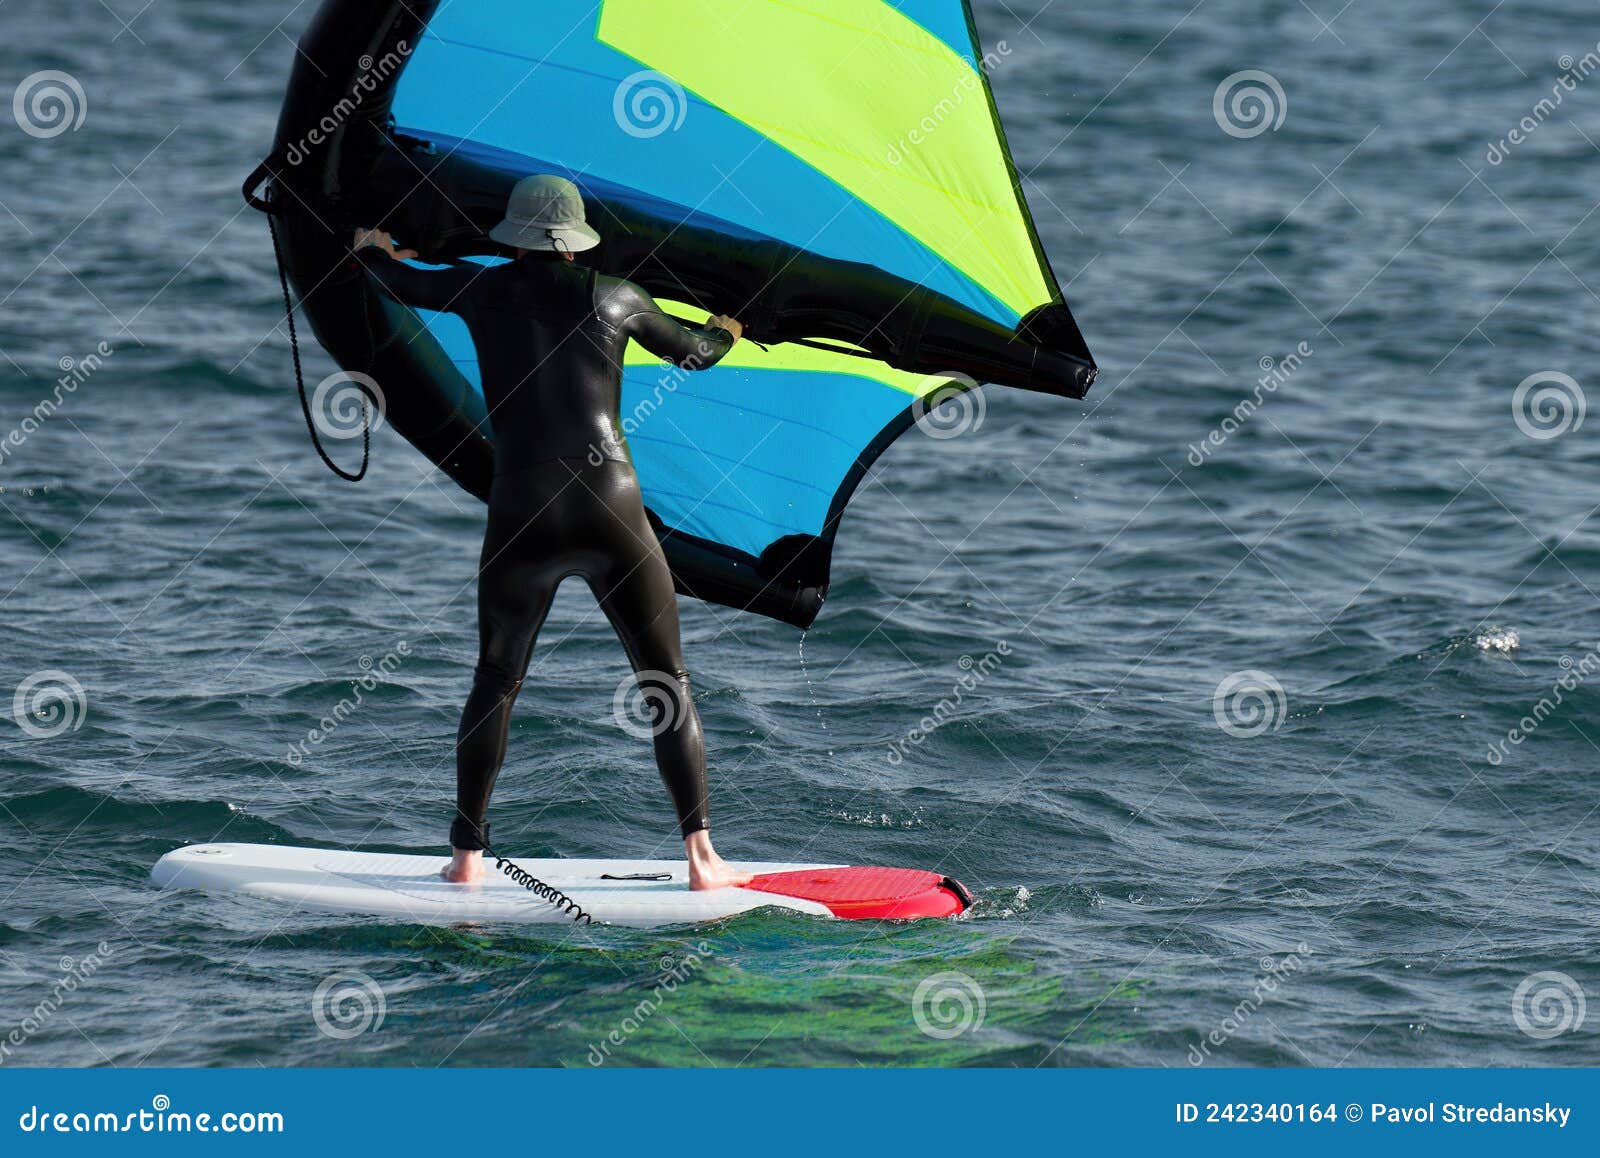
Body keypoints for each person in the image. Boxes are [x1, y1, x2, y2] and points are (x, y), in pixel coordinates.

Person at [352, 174, 750, 890]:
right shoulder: (617, 295)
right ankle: (702, 859)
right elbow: (693, 353)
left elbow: (393, 282)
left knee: (496, 682)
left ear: (512, 237)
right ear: (577, 241)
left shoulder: (480, 289)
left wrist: (373, 249)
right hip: (611, 508)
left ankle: (466, 858)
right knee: (666, 680)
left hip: (521, 510)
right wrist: (726, 329)